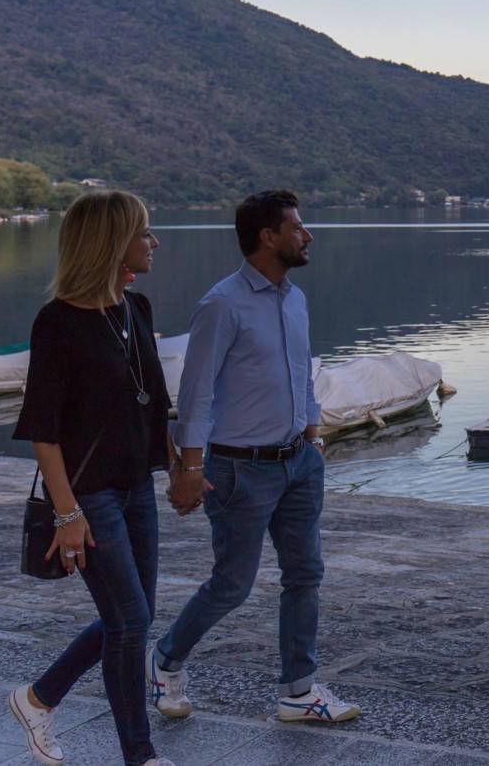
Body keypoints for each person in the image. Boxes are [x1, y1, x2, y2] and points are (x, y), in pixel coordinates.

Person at [150, 189, 357, 724]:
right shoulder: (222, 304)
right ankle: (166, 659)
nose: (307, 235)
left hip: (298, 462)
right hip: (239, 469)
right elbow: (196, 394)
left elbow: (303, 371)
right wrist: (190, 470)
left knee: (305, 573)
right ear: (268, 237)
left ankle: (298, 691)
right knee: (233, 585)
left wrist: (311, 437)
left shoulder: (295, 298)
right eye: (297, 227)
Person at [10, 191, 174, 766]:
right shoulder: (57, 322)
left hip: (137, 487)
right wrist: (67, 512)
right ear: (112, 243)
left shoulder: (137, 309)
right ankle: (141, 756)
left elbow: (149, 404)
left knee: (132, 619)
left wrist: (179, 465)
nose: (153, 243)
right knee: (130, 621)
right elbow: (42, 428)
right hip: (90, 494)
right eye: (144, 232)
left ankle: (38, 699)